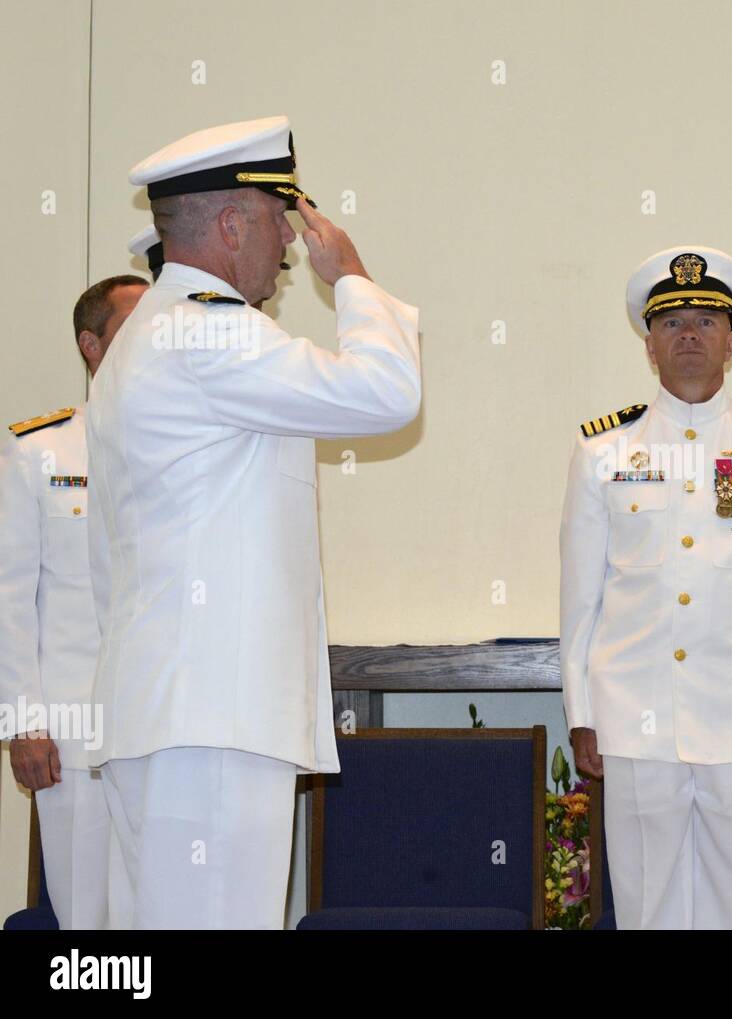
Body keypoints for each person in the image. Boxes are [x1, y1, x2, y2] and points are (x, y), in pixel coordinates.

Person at [86, 115, 422, 928]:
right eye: (279, 222)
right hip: (212, 724)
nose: (290, 248)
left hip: (177, 714)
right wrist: (354, 282)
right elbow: (387, 392)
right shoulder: (208, 334)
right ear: (232, 223)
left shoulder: (150, 340)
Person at [560, 246, 732, 929]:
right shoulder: (603, 452)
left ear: (731, 342)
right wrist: (581, 708)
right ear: (648, 345)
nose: (687, 334)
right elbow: (581, 595)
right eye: (671, 321)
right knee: (647, 910)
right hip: (634, 716)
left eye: (705, 321)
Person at [0, 274, 147, 929]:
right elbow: (9, 593)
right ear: (91, 344)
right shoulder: (39, 448)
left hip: (161, 725)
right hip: (73, 727)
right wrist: (21, 720)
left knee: (158, 912)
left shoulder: (183, 447)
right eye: (132, 328)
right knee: (87, 918)